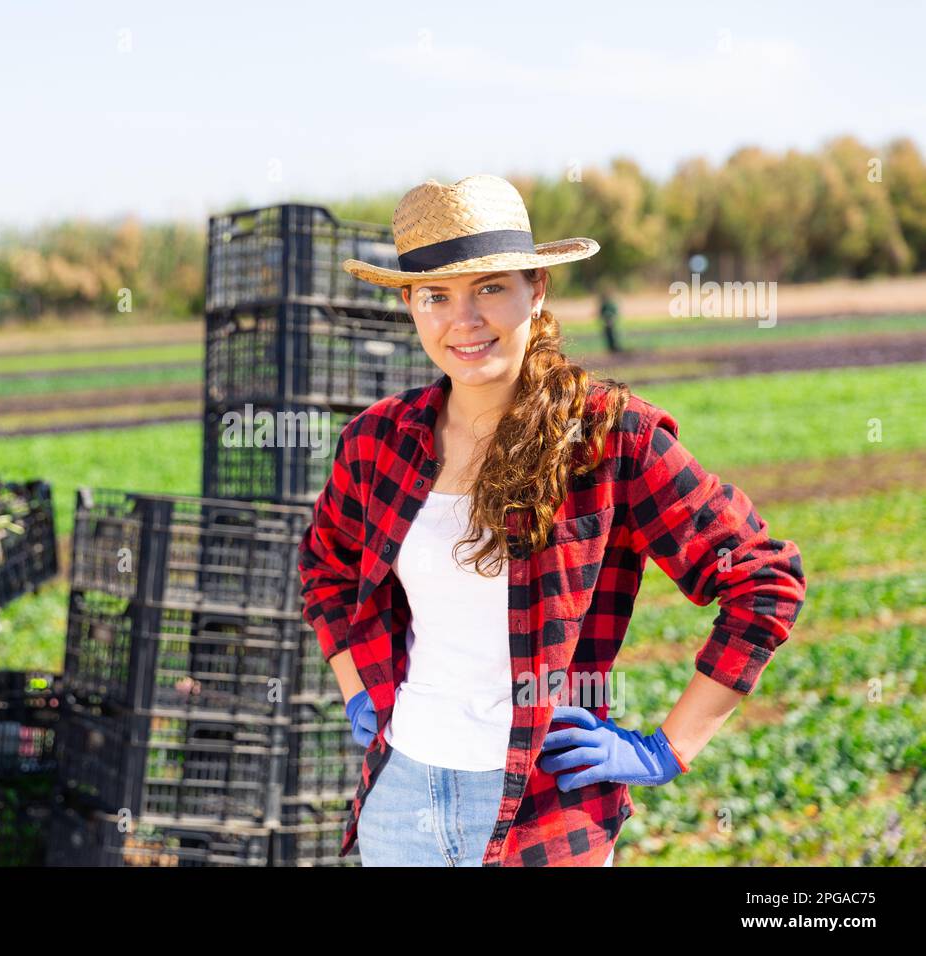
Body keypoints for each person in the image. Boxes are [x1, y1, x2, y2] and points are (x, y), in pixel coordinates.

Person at [302, 175, 806, 867]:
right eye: (436, 296)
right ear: (409, 305)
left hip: (541, 819)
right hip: (402, 804)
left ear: (536, 289)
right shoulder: (377, 441)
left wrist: (668, 746)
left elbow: (764, 579)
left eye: (490, 288)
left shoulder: (609, 436)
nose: (464, 320)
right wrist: (356, 685)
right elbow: (324, 567)